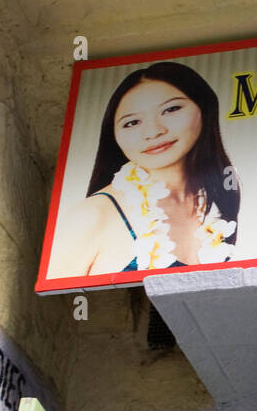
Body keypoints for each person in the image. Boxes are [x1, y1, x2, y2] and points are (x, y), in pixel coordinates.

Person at [48, 61, 239, 278]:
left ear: (204, 108)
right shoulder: (91, 215)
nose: (154, 132)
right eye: (132, 123)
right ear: (114, 135)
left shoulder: (219, 197)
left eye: (171, 109)